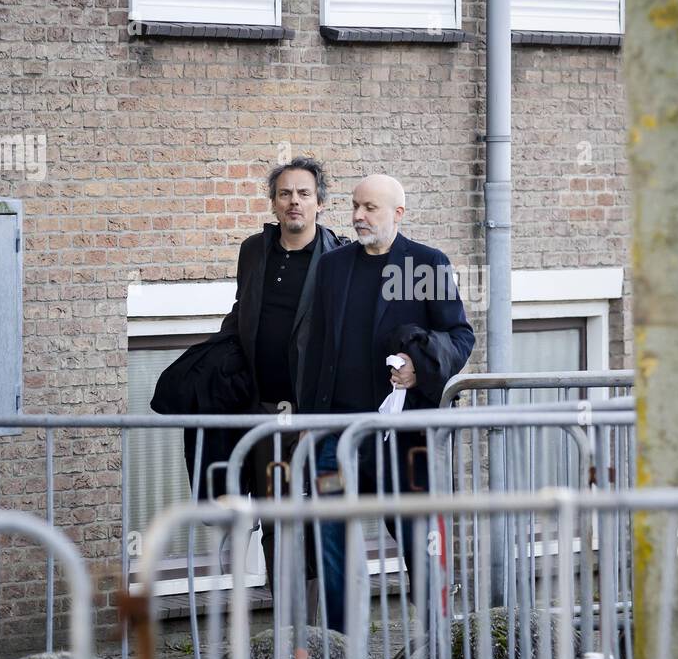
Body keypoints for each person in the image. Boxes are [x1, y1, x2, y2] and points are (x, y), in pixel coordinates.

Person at [152, 157, 342, 591]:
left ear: (320, 204)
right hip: (263, 415)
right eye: (285, 194)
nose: (294, 202)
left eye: (304, 194)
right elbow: (243, 314)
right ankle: (286, 635)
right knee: (275, 520)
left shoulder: (338, 257)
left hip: (314, 418)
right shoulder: (254, 251)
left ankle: (319, 639)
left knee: (318, 520)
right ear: (274, 204)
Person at [299, 174, 475, 631]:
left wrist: (421, 369)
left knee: (418, 539)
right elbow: (316, 348)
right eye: (355, 206)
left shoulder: (426, 263)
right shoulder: (334, 267)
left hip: (403, 435)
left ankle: (437, 640)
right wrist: (306, 420)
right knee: (332, 539)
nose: (358, 216)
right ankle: (339, 646)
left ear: (398, 212)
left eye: (370, 208)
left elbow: (460, 335)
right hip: (336, 433)